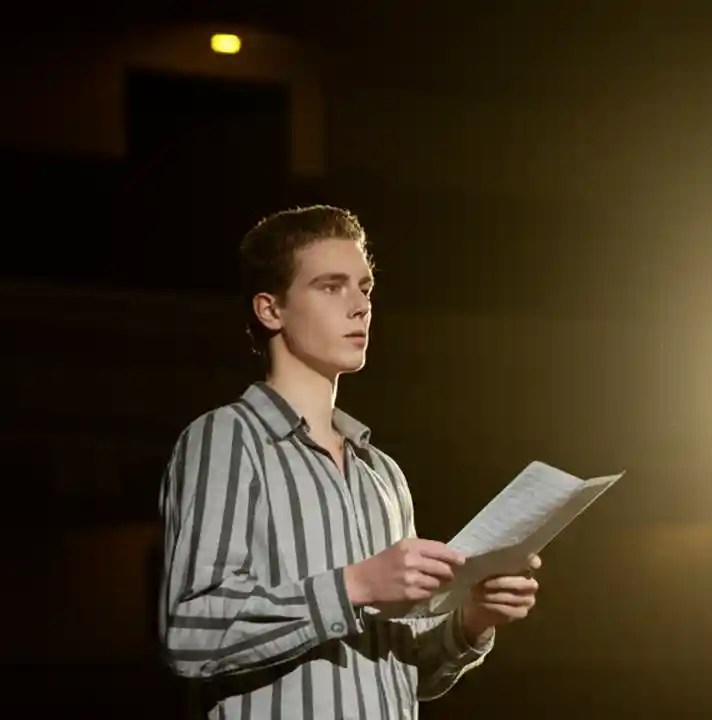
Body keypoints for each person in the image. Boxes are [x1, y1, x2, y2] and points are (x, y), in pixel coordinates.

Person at [157, 205, 541, 718]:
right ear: (271, 310)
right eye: (331, 286)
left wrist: (472, 618)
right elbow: (188, 632)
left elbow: (411, 674)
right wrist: (354, 586)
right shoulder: (228, 438)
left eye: (365, 287)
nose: (360, 306)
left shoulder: (381, 473)